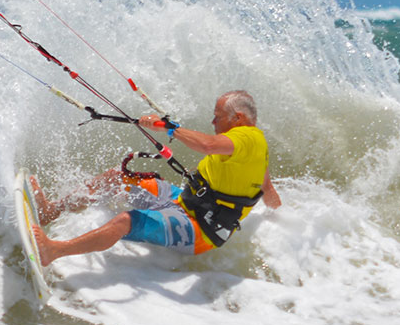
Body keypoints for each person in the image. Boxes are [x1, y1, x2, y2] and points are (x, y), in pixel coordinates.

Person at [31, 89, 281, 266]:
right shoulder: (254, 149)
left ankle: (53, 251)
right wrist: (279, 214)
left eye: (218, 115)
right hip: (183, 202)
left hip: (201, 231)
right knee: (117, 176)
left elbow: (207, 145)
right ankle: (51, 211)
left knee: (125, 221)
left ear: (237, 118)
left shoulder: (247, 136)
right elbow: (265, 185)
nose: (213, 120)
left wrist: (167, 127)